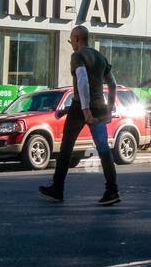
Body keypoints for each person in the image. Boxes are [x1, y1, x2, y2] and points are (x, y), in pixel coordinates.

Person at [40, 25, 120, 206]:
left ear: (77, 37)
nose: (71, 44)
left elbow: (82, 81)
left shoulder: (78, 56)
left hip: (81, 108)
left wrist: (84, 111)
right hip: (99, 107)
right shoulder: (100, 57)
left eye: (71, 40)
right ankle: (112, 190)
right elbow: (113, 84)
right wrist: (109, 108)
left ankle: (57, 189)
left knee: (67, 146)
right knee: (103, 148)